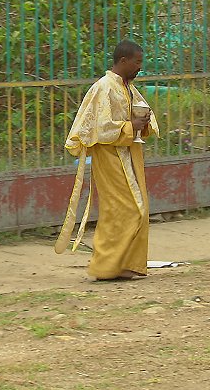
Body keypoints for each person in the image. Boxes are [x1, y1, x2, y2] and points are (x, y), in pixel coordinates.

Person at [56, 40, 158, 280]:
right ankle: (104, 266)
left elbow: (141, 114)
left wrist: (143, 123)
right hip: (109, 156)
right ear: (123, 61)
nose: (139, 68)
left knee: (136, 209)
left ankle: (125, 265)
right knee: (124, 209)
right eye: (137, 62)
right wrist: (129, 126)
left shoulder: (126, 87)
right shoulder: (104, 87)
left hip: (128, 154)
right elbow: (100, 129)